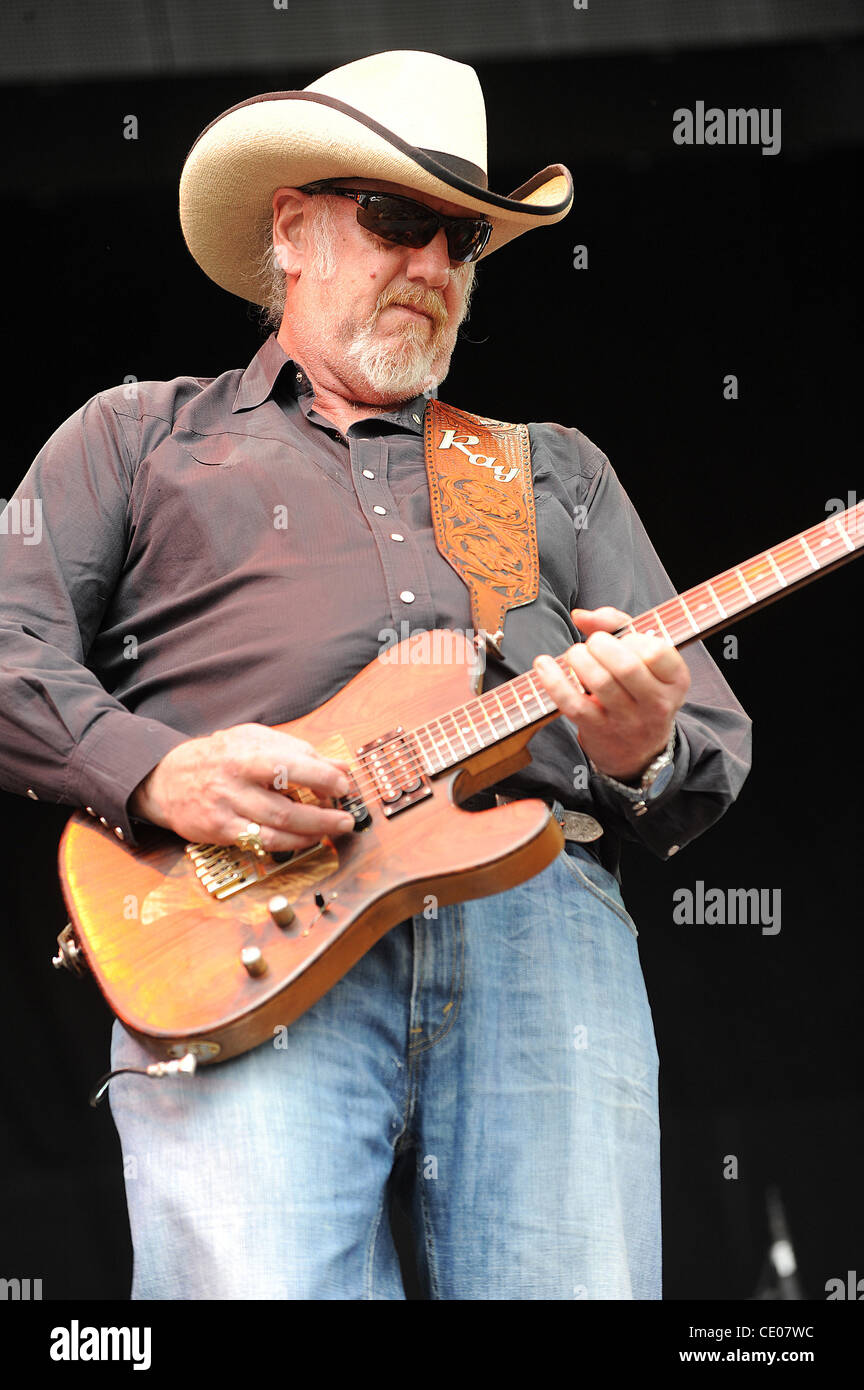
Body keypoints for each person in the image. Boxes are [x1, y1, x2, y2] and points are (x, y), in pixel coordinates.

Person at [0, 50, 751, 1300]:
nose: (434, 266)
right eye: (401, 219)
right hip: (240, 919)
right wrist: (161, 771)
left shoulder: (549, 467)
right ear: (291, 230)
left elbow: (702, 747)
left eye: (463, 240)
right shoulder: (138, 434)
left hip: (539, 925)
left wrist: (641, 745)